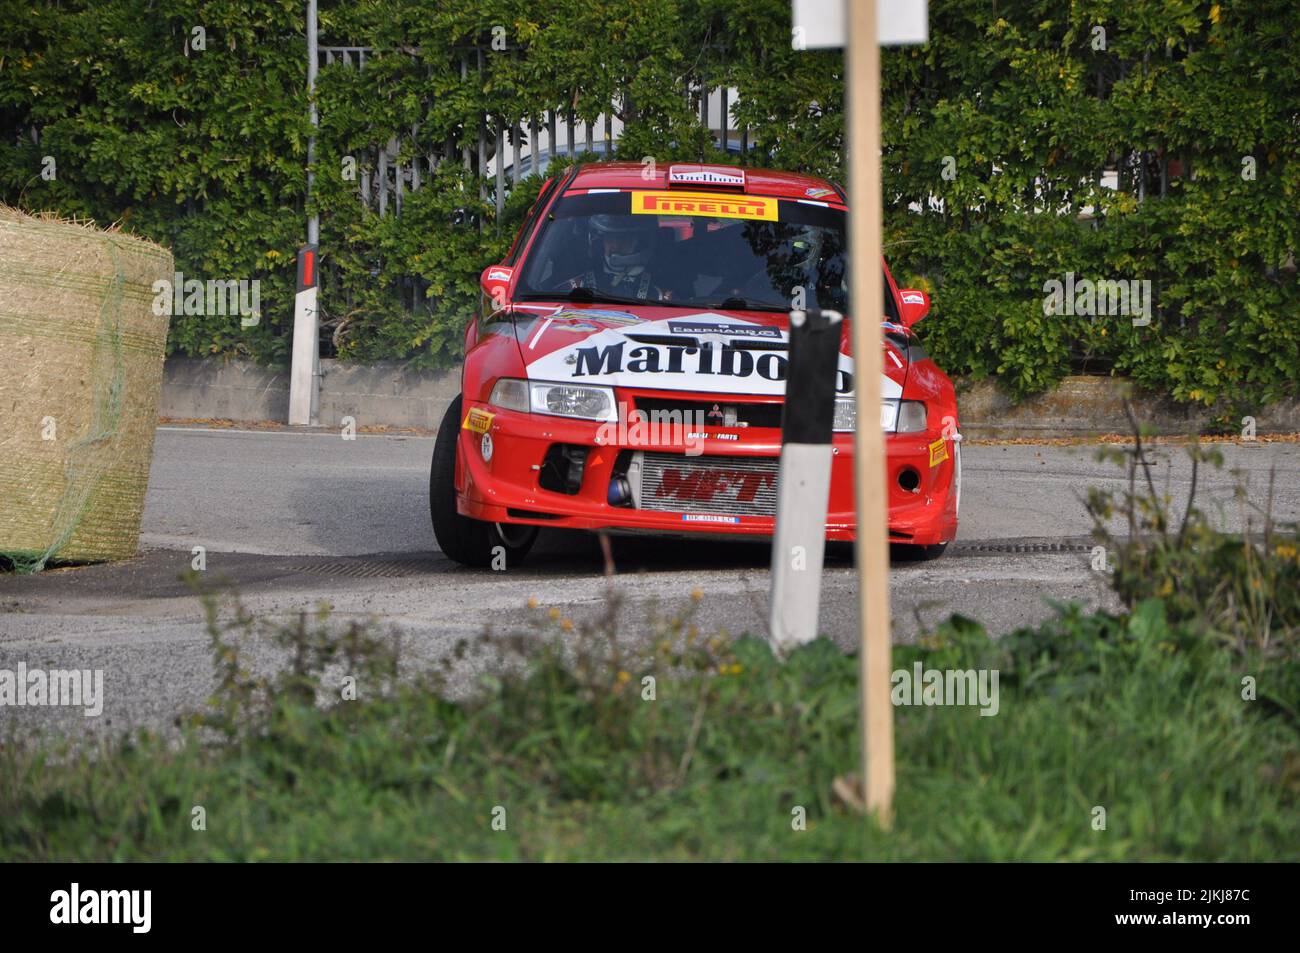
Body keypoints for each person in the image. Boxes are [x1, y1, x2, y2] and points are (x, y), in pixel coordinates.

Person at [567, 214, 667, 300]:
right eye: (610, 238)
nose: (615, 246)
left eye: (623, 239)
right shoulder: (578, 287)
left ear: (639, 244)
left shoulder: (659, 295)